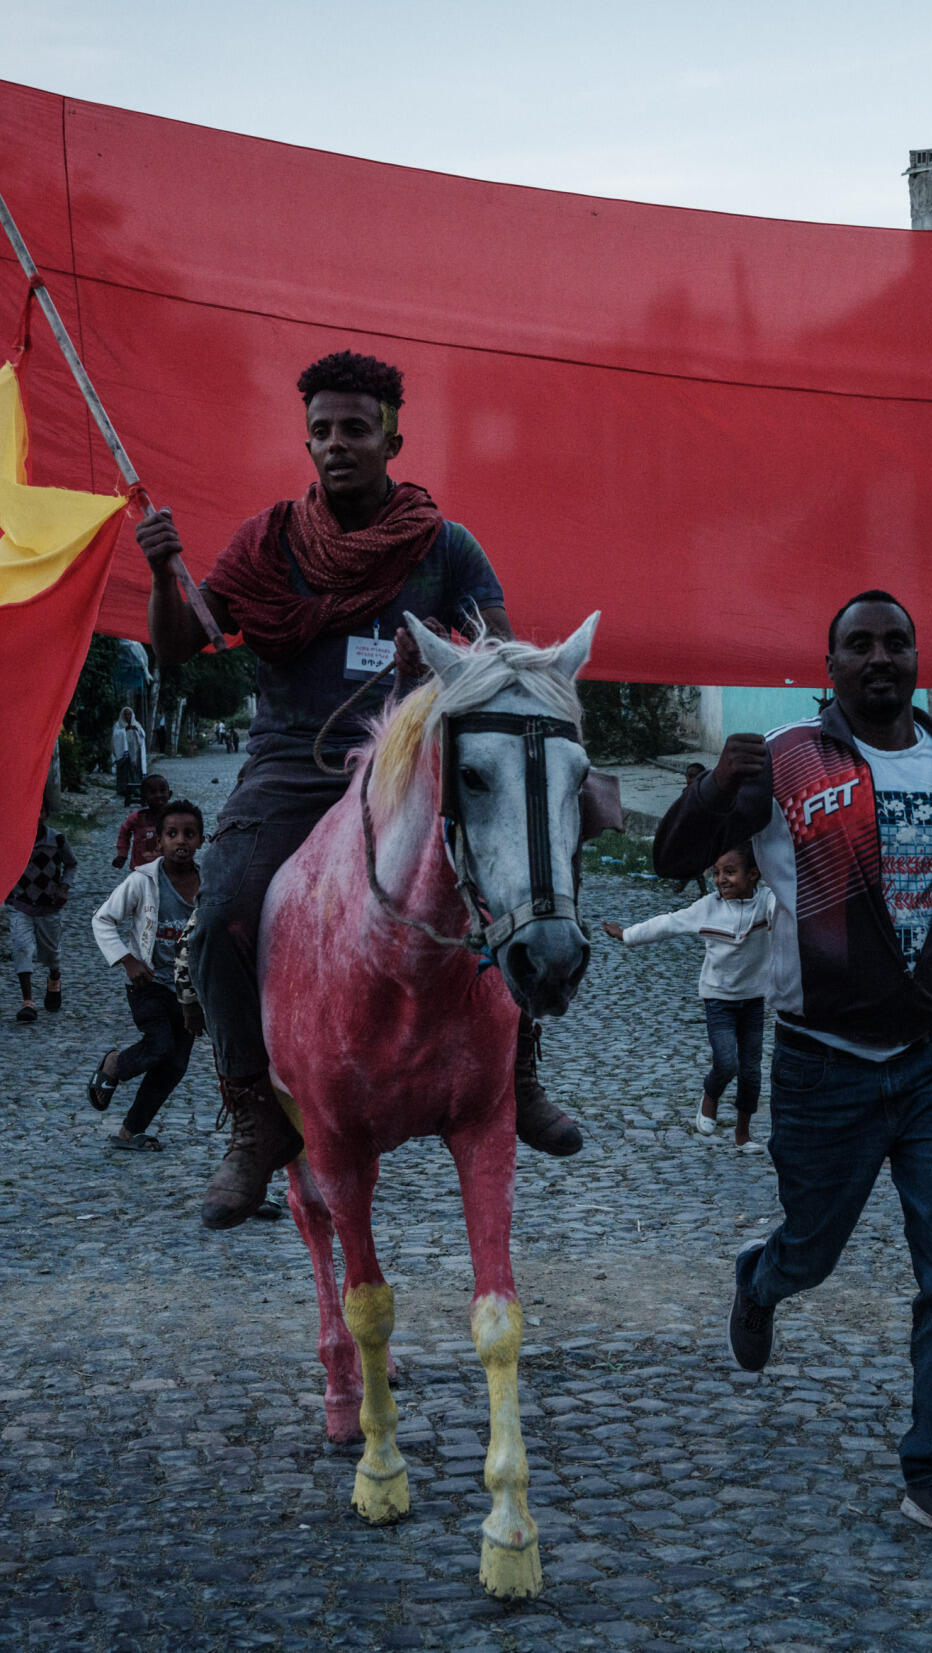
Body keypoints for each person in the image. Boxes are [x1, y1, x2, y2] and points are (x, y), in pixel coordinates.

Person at [133, 349, 583, 1232]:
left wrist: (455, 671)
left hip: (404, 769)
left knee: (517, 874)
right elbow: (184, 641)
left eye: (356, 429)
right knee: (220, 906)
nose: (337, 445)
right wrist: (160, 573)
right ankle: (255, 1116)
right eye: (322, 432)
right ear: (307, 441)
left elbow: (504, 656)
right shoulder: (266, 544)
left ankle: (518, 1072)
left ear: (392, 438)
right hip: (292, 766)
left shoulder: (442, 547)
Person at [653, 590, 932, 1549]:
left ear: (919, 654)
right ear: (829, 663)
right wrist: (713, 791)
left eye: (896, 642)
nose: (880, 657)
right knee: (813, 1252)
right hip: (825, 1064)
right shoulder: (785, 759)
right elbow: (673, 857)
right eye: (858, 644)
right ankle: (761, 1281)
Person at [85, 799, 230, 1162]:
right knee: (159, 1044)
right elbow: (102, 920)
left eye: (189, 834)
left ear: (201, 840)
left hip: (189, 992)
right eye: (172, 834)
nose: (181, 841)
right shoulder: (143, 881)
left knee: (174, 1066)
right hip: (148, 984)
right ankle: (114, 1065)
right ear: (158, 842)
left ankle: (130, 1131)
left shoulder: (209, 885)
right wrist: (128, 960)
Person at [602, 843, 776, 1145]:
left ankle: (743, 1134)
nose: (721, 880)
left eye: (730, 873)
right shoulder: (708, 907)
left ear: (753, 875)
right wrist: (627, 934)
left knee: (751, 1071)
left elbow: (789, 910)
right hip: (719, 1000)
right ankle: (710, 1094)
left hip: (753, 1001)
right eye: (717, 873)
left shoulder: (766, 903)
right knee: (727, 1063)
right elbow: (669, 923)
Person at [8, 820, 78, 1022]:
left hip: (49, 905)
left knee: (50, 953)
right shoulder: (16, 838)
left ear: (46, 813)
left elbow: (71, 864)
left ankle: (54, 977)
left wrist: (64, 887)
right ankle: (27, 1002)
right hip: (20, 903)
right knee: (22, 947)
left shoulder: (56, 839)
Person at [114, 773, 172, 871]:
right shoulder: (136, 818)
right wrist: (122, 854)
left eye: (162, 791)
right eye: (153, 792)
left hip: (167, 869)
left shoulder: (174, 818)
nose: (158, 795)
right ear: (143, 797)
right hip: (141, 869)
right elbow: (124, 833)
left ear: (169, 794)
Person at [112, 706, 148, 804]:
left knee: (135, 772)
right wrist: (124, 731)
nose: (128, 716)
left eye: (129, 714)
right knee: (125, 772)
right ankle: (123, 790)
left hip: (135, 753)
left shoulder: (136, 724)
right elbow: (115, 736)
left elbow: (143, 735)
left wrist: (136, 730)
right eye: (126, 714)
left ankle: (136, 790)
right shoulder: (118, 725)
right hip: (124, 754)